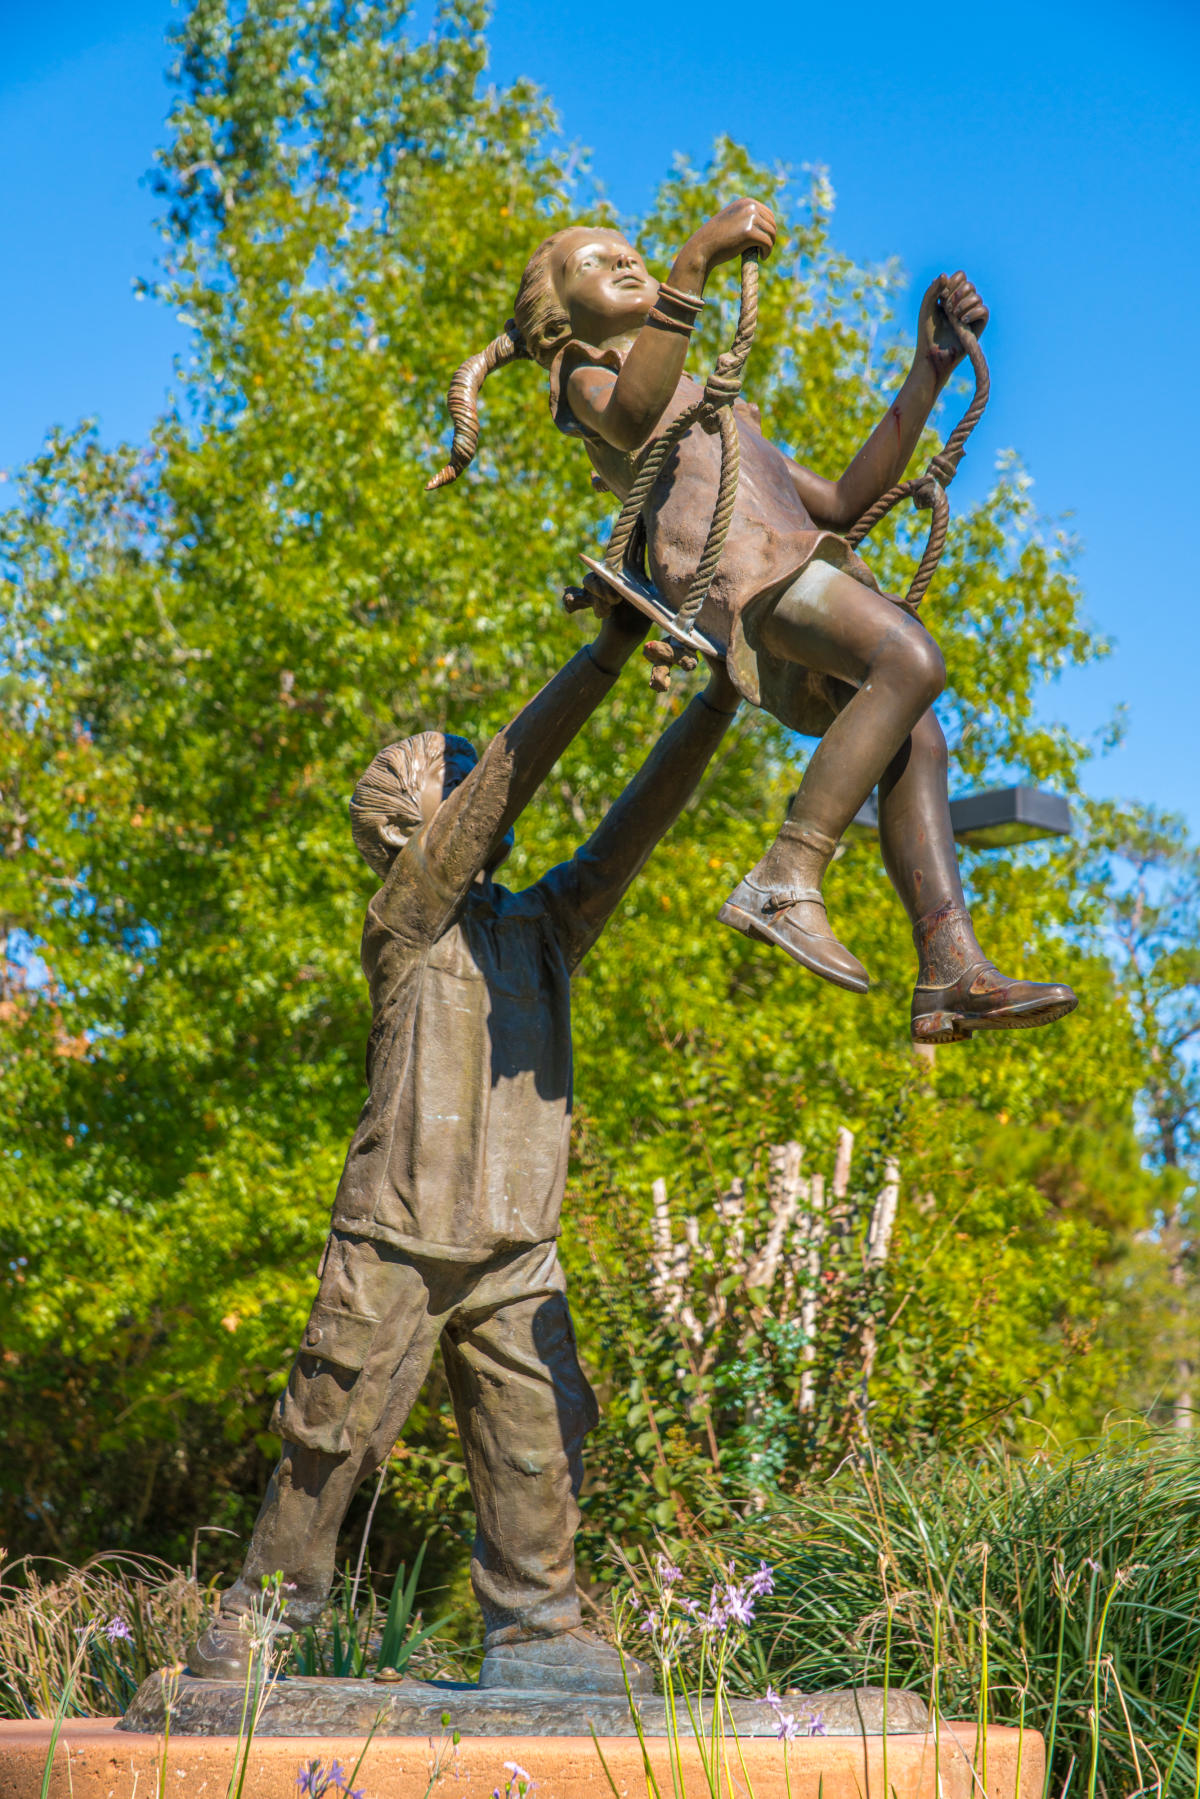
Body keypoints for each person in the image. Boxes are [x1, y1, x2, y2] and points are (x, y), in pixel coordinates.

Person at [188, 601, 739, 1694]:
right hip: (392, 1236)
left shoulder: (540, 930)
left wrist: (724, 698)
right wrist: (607, 652)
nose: (486, 798)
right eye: (456, 786)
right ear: (409, 827)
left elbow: (636, 822)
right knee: (328, 1437)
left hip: (512, 1251)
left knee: (539, 1447)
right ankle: (261, 1622)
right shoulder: (403, 923)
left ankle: (536, 1630)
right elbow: (499, 790)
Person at [427, 201, 1077, 1046]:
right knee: (910, 659)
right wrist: (694, 259)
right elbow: (631, 415)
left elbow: (845, 502)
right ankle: (787, 875)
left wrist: (928, 371)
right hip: (739, 577)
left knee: (916, 733)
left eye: (631, 252)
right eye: (594, 263)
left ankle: (947, 965)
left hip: (791, 560)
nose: (626, 261)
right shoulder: (586, 374)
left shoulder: (712, 399)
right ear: (556, 318)